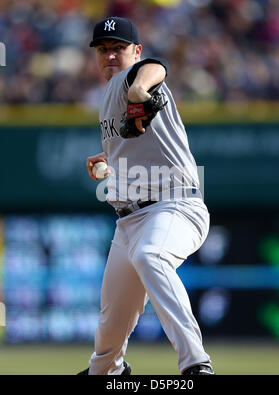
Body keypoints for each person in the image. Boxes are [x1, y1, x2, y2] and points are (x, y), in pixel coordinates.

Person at [77, 16, 214, 376]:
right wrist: (110, 161)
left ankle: (196, 365)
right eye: (103, 50)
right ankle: (106, 373)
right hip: (130, 221)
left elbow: (155, 69)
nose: (110, 56)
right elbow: (138, 140)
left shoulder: (135, 77)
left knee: (152, 255)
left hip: (175, 206)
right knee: (111, 320)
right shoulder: (107, 93)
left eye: (119, 48)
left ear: (135, 51)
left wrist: (140, 90)